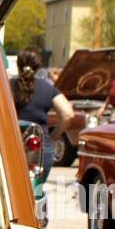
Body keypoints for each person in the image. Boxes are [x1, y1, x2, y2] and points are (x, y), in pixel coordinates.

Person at [12, 48, 74, 181]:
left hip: (11, 147)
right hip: (40, 150)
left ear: (18, 65)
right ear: (38, 66)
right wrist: (53, 137)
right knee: (36, 194)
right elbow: (68, 114)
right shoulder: (49, 89)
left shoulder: (6, 86)